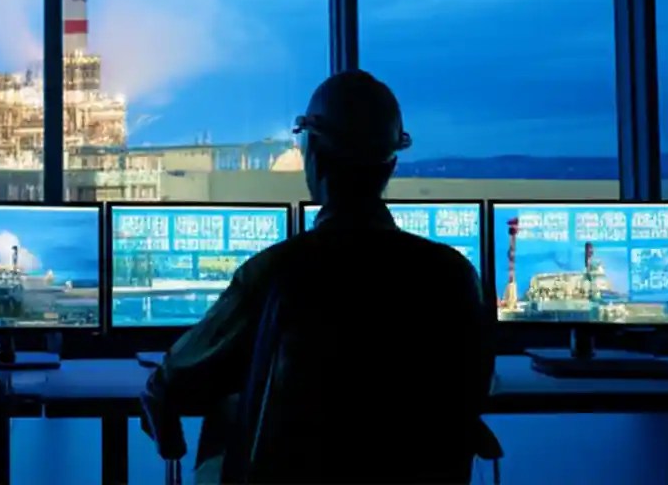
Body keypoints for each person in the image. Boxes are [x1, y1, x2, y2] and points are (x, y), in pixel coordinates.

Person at [140, 70, 495, 484]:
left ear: (315, 157)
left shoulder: (278, 273)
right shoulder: (452, 276)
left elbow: (178, 378)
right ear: (391, 165)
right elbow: (472, 390)